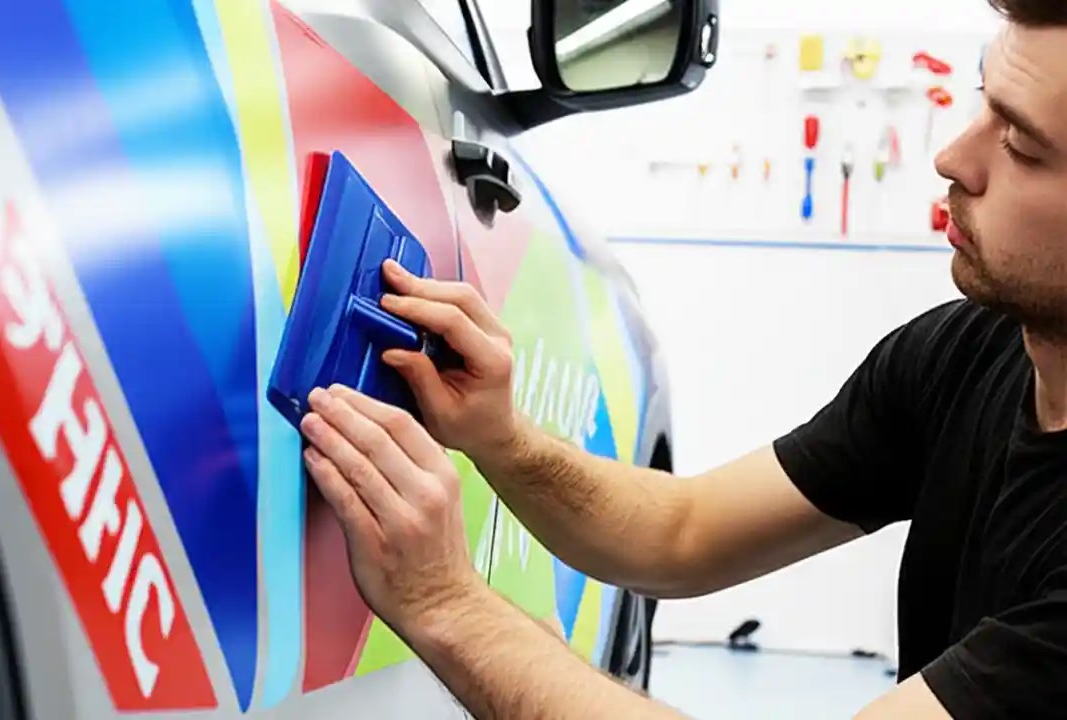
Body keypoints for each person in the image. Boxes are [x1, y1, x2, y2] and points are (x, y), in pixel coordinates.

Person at [298, 0, 1067, 716]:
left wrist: (446, 604)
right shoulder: (965, 354)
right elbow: (681, 533)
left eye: (1021, 146)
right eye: (982, 102)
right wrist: (501, 437)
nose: (953, 158)